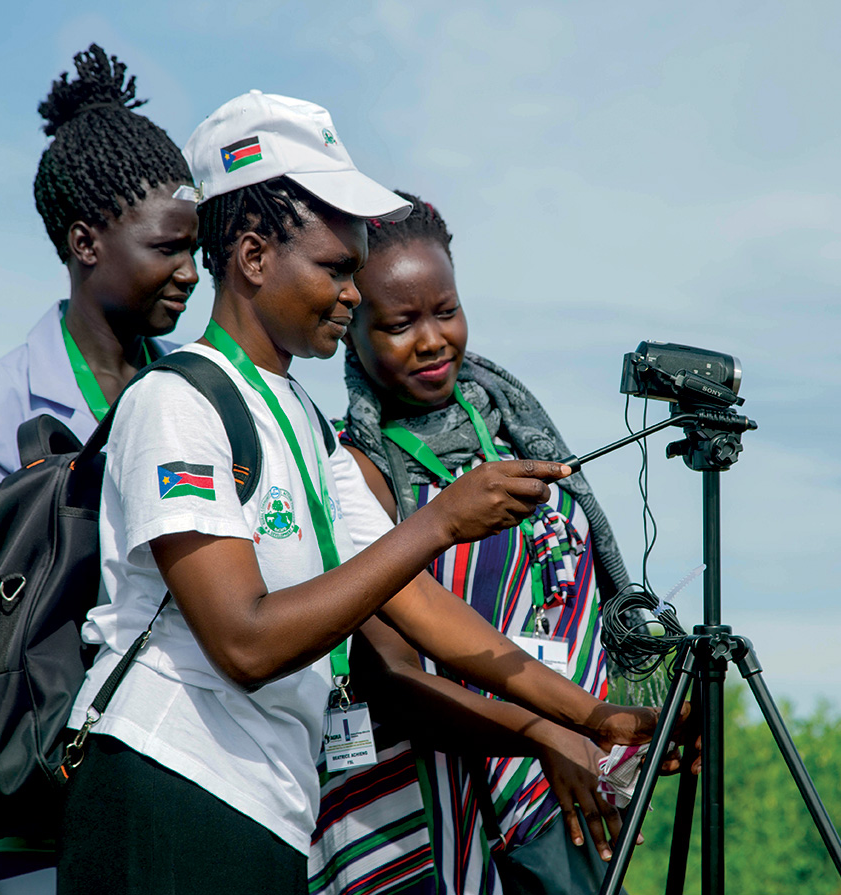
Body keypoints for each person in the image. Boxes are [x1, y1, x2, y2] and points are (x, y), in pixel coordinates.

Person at [55, 90, 665, 895]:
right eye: (335, 269)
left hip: (268, 802)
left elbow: (414, 601)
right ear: (252, 257)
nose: (353, 292)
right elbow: (245, 643)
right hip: (171, 786)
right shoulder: (176, 403)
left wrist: (596, 718)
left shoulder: (303, 419)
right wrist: (444, 519)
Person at [0, 44, 197, 894]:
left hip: (176, 791)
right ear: (84, 242)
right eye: (167, 248)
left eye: (198, 248)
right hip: (35, 817)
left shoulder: (196, 392)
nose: (191, 272)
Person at [313, 193, 633, 895]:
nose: (431, 340)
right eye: (399, 323)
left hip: (569, 788)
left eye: (445, 311)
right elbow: (390, 678)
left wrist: (623, 718)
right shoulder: (351, 473)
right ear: (350, 329)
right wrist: (544, 729)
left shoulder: (520, 429)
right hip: (428, 802)